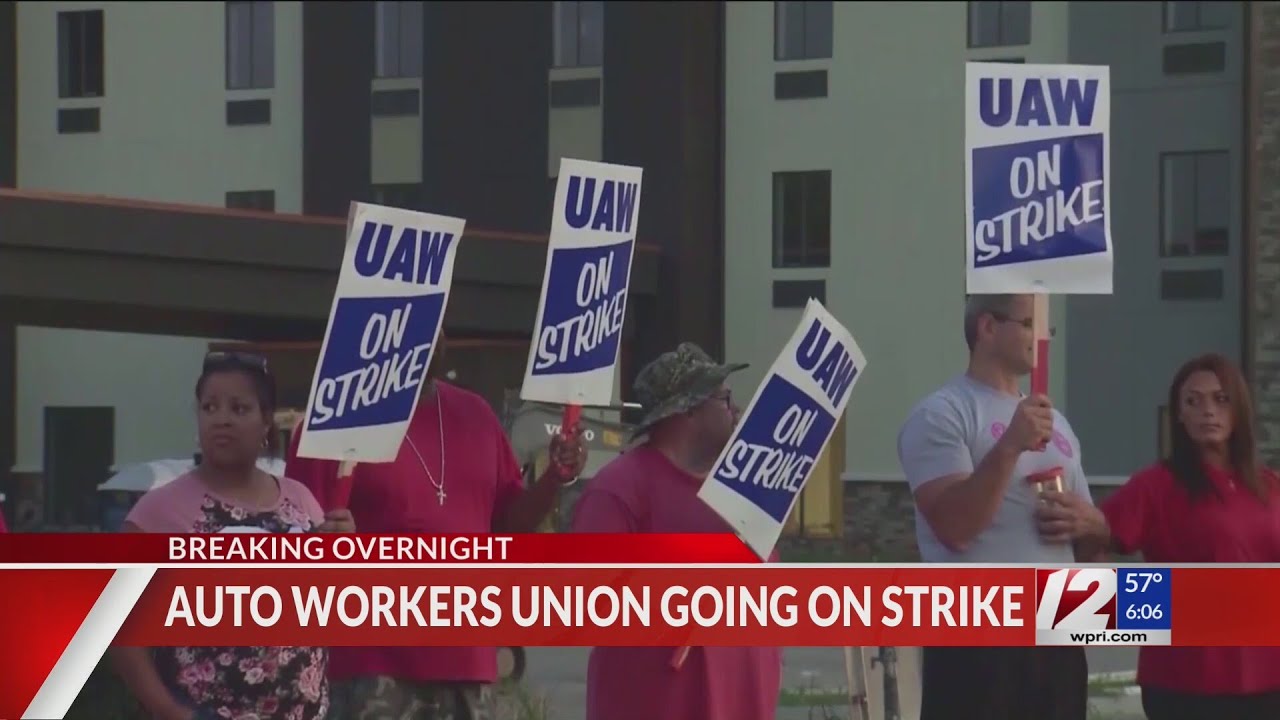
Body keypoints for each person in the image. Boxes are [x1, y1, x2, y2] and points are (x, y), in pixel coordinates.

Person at [285, 348, 588, 720]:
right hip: (372, 662)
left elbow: (508, 525)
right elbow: (296, 544)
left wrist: (553, 479)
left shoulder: (476, 415)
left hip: (468, 661)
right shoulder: (334, 416)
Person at [896, 294, 1108, 720]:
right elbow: (954, 527)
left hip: (1059, 632)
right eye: (1029, 323)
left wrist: (1095, 525)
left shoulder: (1057, 423)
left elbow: (1088, 547)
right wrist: (1010, 445)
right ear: (987, 328)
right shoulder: (941, 414)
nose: (1040, 337)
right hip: (978, 637)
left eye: (1044, 326)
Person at [112, 351, 355, 720]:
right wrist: (166, 709)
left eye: (238, 409)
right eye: (210, 407)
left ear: (266, 421)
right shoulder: (158, 511)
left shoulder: (301, 501)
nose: (221, 420)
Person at [570, 342, 782, 720]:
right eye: (723, 398)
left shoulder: (742, 494)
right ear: (686, 410)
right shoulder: (619, 489)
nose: (736, 409)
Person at [1099, 353, 1280, 719]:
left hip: (1268, 679)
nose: (1207, 411)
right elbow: (1093, 542)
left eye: (1220, 399)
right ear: (1179, 415)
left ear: (1238, 408)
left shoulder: (1268, 486)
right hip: (1187, 681)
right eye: (1193, 401)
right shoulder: (1155, 486)